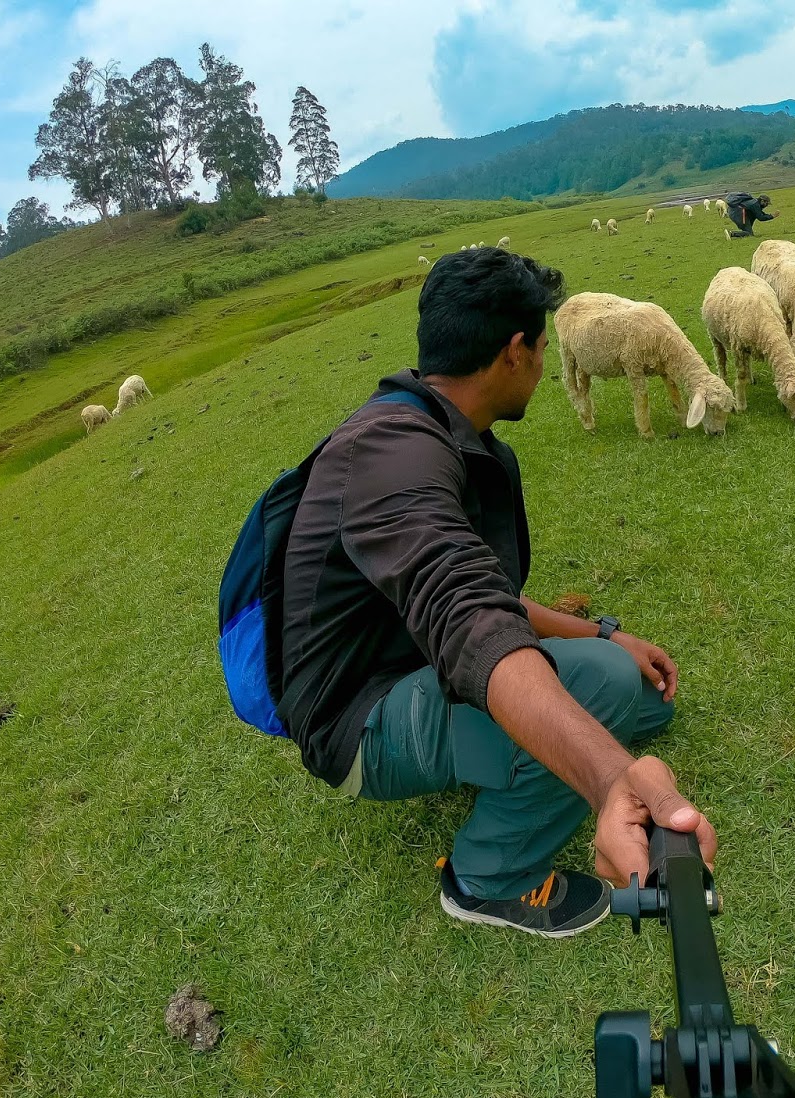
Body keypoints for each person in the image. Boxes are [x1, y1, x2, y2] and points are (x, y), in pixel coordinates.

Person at [277, 248, 718, 937]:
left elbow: (486, 593)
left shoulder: (455, 435)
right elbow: (467, 616)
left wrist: (606, 634)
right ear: (514, 351)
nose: (545, 367)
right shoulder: (393, 451)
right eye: (543, 349)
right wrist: (609, 780)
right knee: (599, 687)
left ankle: (506, 750)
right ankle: (488, 878)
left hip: (416, 662)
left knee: (631, 696)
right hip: (359, 715)